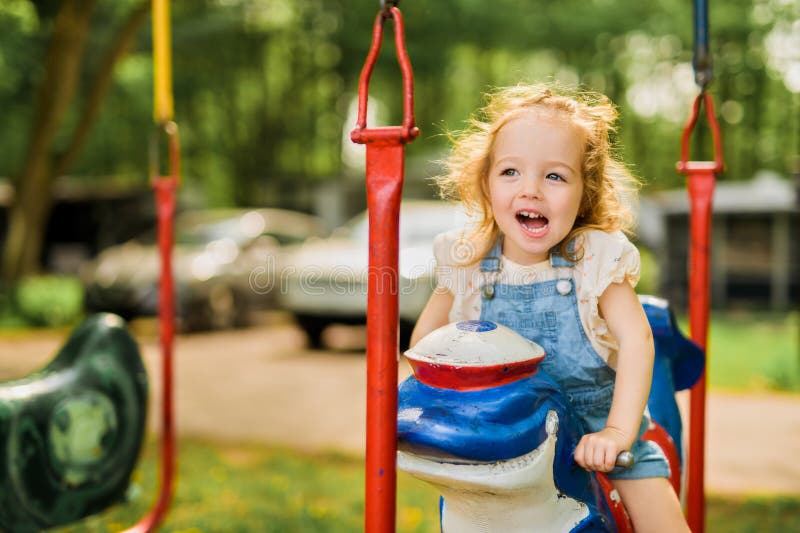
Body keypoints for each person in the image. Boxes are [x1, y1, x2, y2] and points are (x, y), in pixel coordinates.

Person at [410, 83, 690, 533]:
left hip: (596, 426)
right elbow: (425, 348)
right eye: (510, 172)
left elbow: (638, 341)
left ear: (585, 190)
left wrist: (617, 433)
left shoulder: (594, 259)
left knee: (662, 522)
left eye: (555, 176)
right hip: (505, 437)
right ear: (485, 182)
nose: (531, 191)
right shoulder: (468, 260)